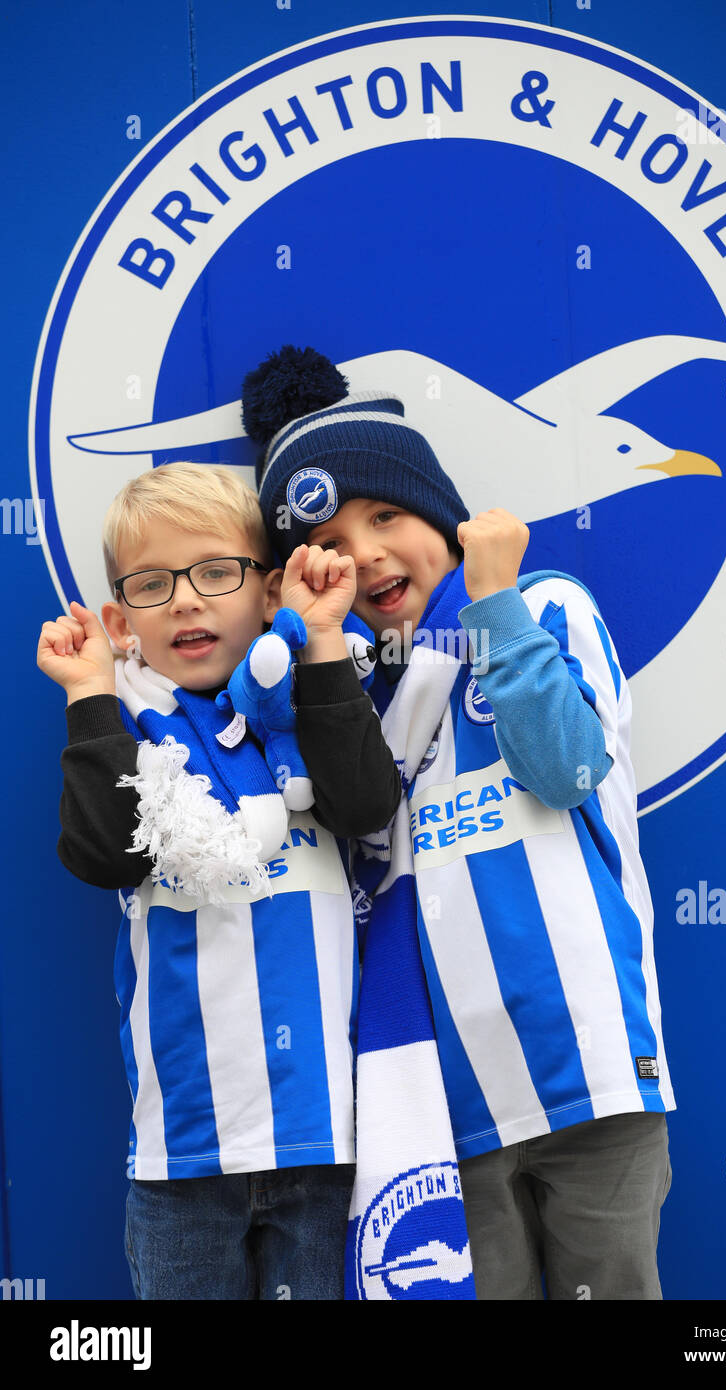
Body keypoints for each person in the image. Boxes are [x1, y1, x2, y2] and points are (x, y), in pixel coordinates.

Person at [242, 348, 676, 1301]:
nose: (365, 554)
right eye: (330, 542)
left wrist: (491, 605)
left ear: (441, 512)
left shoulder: (541, 607)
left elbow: (563, 769)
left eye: (385, 515)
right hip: (448, 1105)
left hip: (589, 1070)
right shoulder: (348, 698)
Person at [36, 461, 400, 1300]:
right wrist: (89, 692)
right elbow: (105, 855)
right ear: (121, 619)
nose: (187, 601)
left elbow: (365, 805)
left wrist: (315, 643)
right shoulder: (125, 724)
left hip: (326, 1140)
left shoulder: (306, 704)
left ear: (268, 590)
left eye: (215, 573)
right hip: (186, 1154)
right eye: (154, 585)